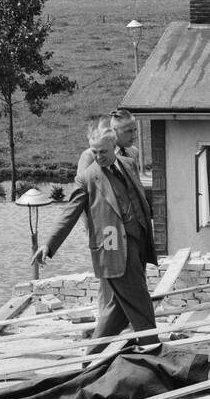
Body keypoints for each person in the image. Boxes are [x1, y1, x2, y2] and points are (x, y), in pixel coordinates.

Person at [38, 123, 159, 351]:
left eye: (103, 151)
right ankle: (154, 347)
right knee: (141, 302)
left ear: (114, 147)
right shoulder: (87, 179)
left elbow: (140, 200)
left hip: (138, 244)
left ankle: (92, 355)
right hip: (113, 249)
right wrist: (48, 244)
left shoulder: (129, 164)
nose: (98, 156)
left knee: (119, 309)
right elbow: (70, 213)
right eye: (94, 152)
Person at [76, 110, 144, 177]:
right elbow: (81, 185)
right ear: (114, 130)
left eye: (135, 130)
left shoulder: (133, 152)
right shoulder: (90, 155)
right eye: (128, 131)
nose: (134, 136)